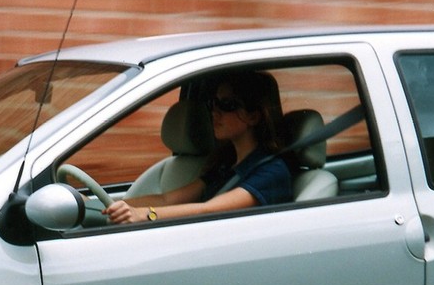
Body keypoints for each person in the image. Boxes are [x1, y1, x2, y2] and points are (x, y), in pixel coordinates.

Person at [102, 70, 292, 224]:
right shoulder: (226, 164)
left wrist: (145, 215)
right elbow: (166, 200)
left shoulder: (272, 172)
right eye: (213, 103)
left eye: (227, 105)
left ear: (254, 116)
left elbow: (208, 209)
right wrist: (106, 205)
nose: (215, 112)